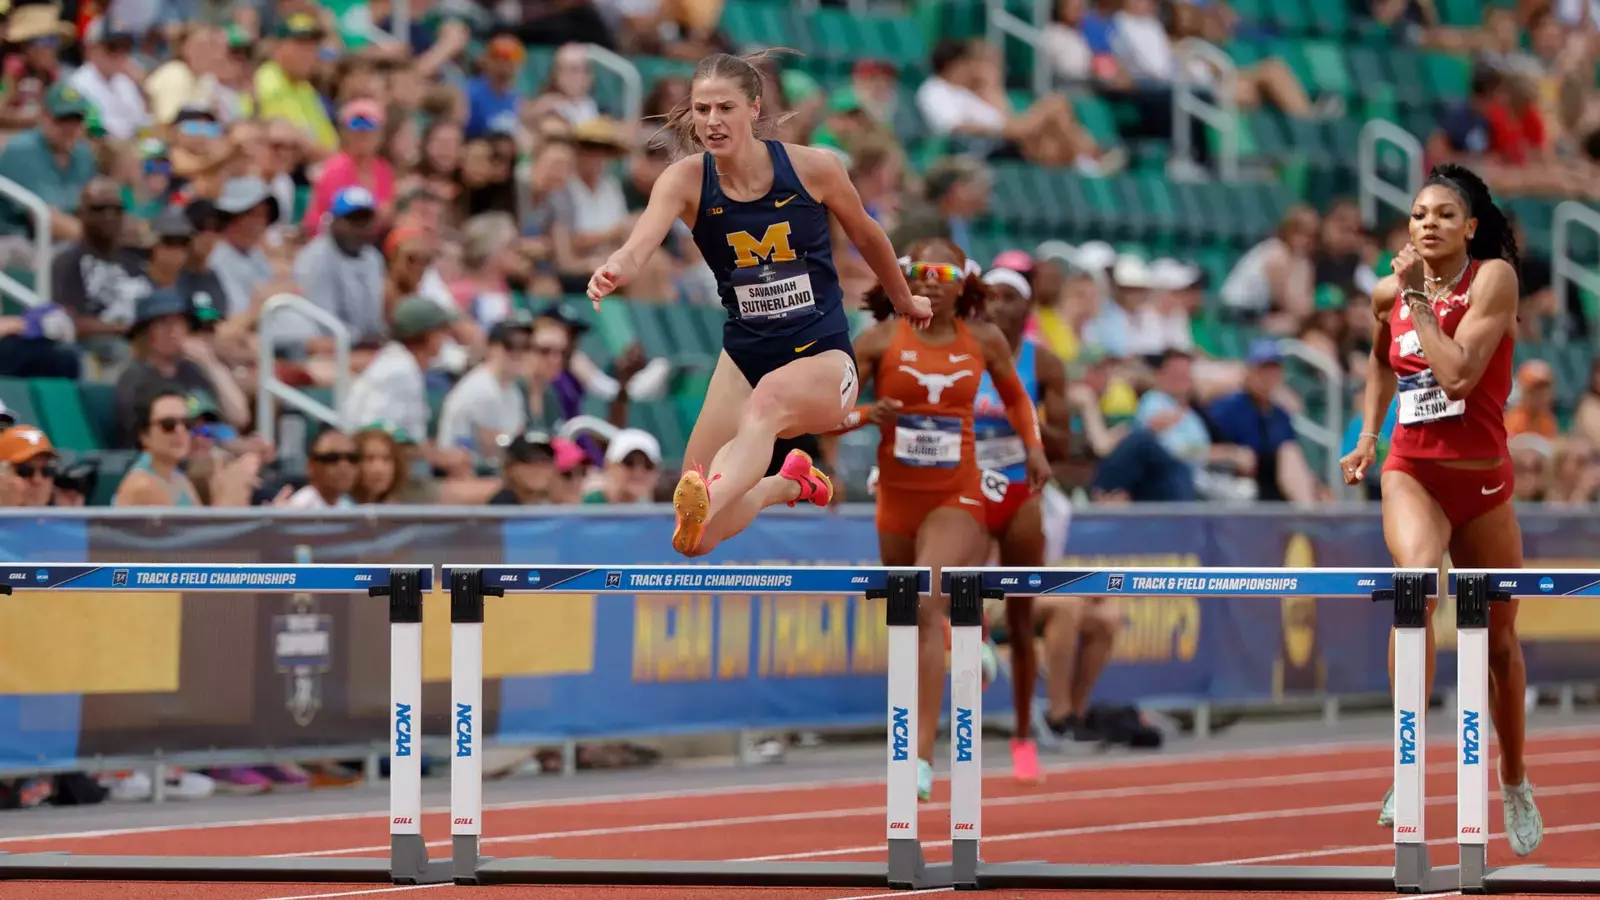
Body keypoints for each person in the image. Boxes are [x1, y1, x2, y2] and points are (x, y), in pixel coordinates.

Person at [585, 52, 932, 557]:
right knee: (695, 540)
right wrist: (614, 268)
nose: (712, 121)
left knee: (766, 403)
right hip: (745, 355)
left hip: (823, 355)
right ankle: (786, 485)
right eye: (701, 110)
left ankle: (713, 494)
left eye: (725, 108)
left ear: (753, 107)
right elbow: (639, 247)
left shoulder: (814, 168)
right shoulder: (684, 182)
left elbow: (869, 235)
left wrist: (904, 298)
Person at [1338, 162, 1541, 857]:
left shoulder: (1493, 280)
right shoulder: (1385, 291)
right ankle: (1407, 767)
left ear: (1470, 228)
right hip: (1412, 472)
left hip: (1483, 484)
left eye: (1445, 215)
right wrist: (1367, 435)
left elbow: (1456, 373)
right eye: (1419, 213)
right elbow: (1377, 360)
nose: (1429, 223)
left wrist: (1421, 300)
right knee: (1416, 584)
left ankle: (1513, 777)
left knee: (1502, 643)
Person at [838, 238, 1049, 802]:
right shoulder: (879, 339)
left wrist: (1033, 448)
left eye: (941, 271)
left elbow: (1018, 401)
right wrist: (866, 413)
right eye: (915, 271)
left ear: (964, 283)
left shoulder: (984, 339)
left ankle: (920, 759)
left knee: (928, 599)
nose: (928, 280)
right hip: (895, 502)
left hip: (956, 496)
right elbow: (830, 416)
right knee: (909, 621)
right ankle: (966, 633)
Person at [973, 266, 1074, 780]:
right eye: (988, 296)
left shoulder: (1045, 364)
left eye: (1008, 297)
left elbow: (1063, 443)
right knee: (942, 585)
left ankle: (1021, 734)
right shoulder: (960, 354)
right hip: (965, 485)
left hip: (1018, 488)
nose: (995, 306)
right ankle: (974, 644)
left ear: (1027, 310)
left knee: (1021, 610)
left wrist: (1025, 415)